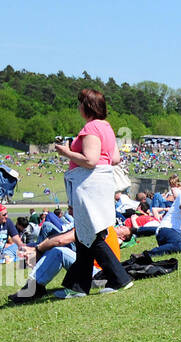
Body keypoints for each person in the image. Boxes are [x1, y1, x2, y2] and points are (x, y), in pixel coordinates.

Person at [53, 89, 133, 298]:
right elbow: (114, 158)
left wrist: (66, 152)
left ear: (86, 107)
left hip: (88, 184)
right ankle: (78, 287)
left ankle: (120, 278)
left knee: (92, 234)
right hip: (102, 183)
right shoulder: (106, 127)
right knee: (84, 235)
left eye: (80, 104)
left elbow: (89, 160)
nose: (78, 107)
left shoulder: (90, 128)